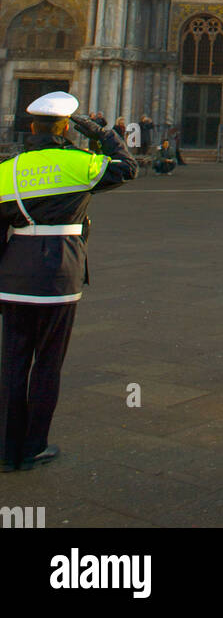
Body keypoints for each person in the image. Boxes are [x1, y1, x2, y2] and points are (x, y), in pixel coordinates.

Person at [0, 92, 137, 472]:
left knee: (11, 364)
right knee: (47, 363)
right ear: (65, 127)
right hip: (59, 275)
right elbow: (128, 167)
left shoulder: (7, 170)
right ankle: (34, 446)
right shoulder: (80, 164)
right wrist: (101, 132)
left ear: (31, 127)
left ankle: (6, 449)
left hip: (12, 276)